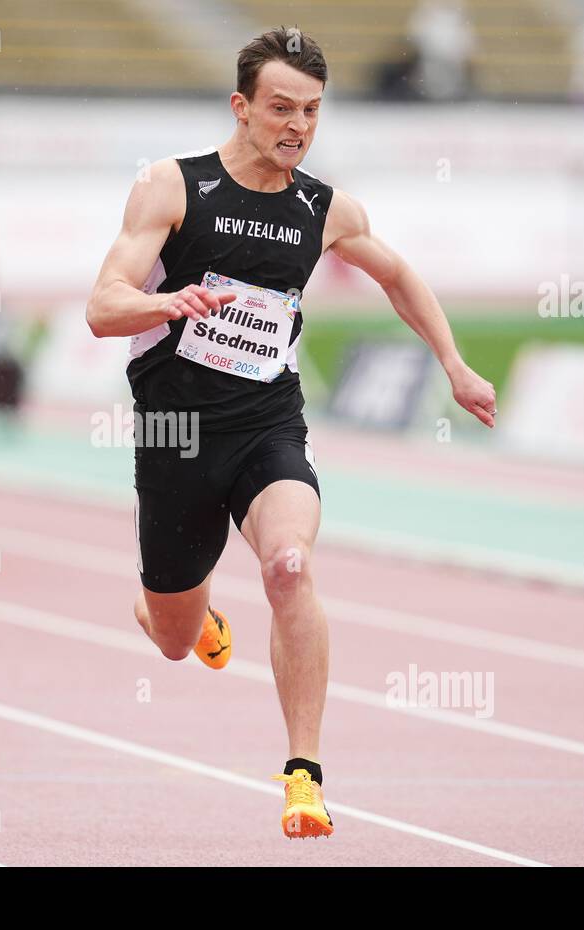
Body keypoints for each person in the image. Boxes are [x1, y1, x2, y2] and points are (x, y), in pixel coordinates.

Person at [85, 28, 497, 838]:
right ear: (241, 108)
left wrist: (453, 363)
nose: (297, 125)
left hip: (269, 424)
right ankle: (183, 615)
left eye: (311, 110)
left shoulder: (326, 206)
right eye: (280, 107)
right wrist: (166, 304)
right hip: (174, 434)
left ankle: (302, 775)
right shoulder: (173, 188)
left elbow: (398, 274)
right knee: (173, 639)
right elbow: (103, 305)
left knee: (288, 564)